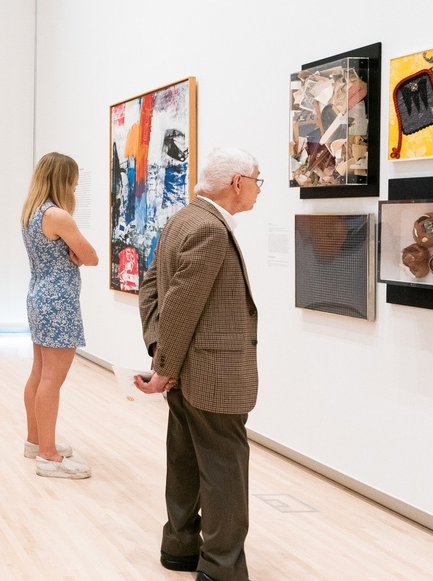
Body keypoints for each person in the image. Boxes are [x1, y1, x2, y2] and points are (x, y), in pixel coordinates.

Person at [135, 147, 263, 581]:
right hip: (213, 376)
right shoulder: (209, 229)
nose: (259, 190)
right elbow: (182, 306)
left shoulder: (182, 219)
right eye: (257, 181)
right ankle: (221, 567)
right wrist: (164, 366)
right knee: (225, 469)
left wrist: (160, 353)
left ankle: (181, 546)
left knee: (186, 459)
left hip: (189, 372)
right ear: (237, 183)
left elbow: (151, 288)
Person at [17, 152, 98, 480]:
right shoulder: (58, 215)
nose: (76, 188)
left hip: (39, 297)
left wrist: (74, 255)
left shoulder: (32, 212)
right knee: (52, 378)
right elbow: (91, 256)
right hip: (59, 303)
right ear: (63, 180)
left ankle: (36, 442)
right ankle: (49, 456)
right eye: (74, 182)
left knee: (39, 372)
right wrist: (77, 257)